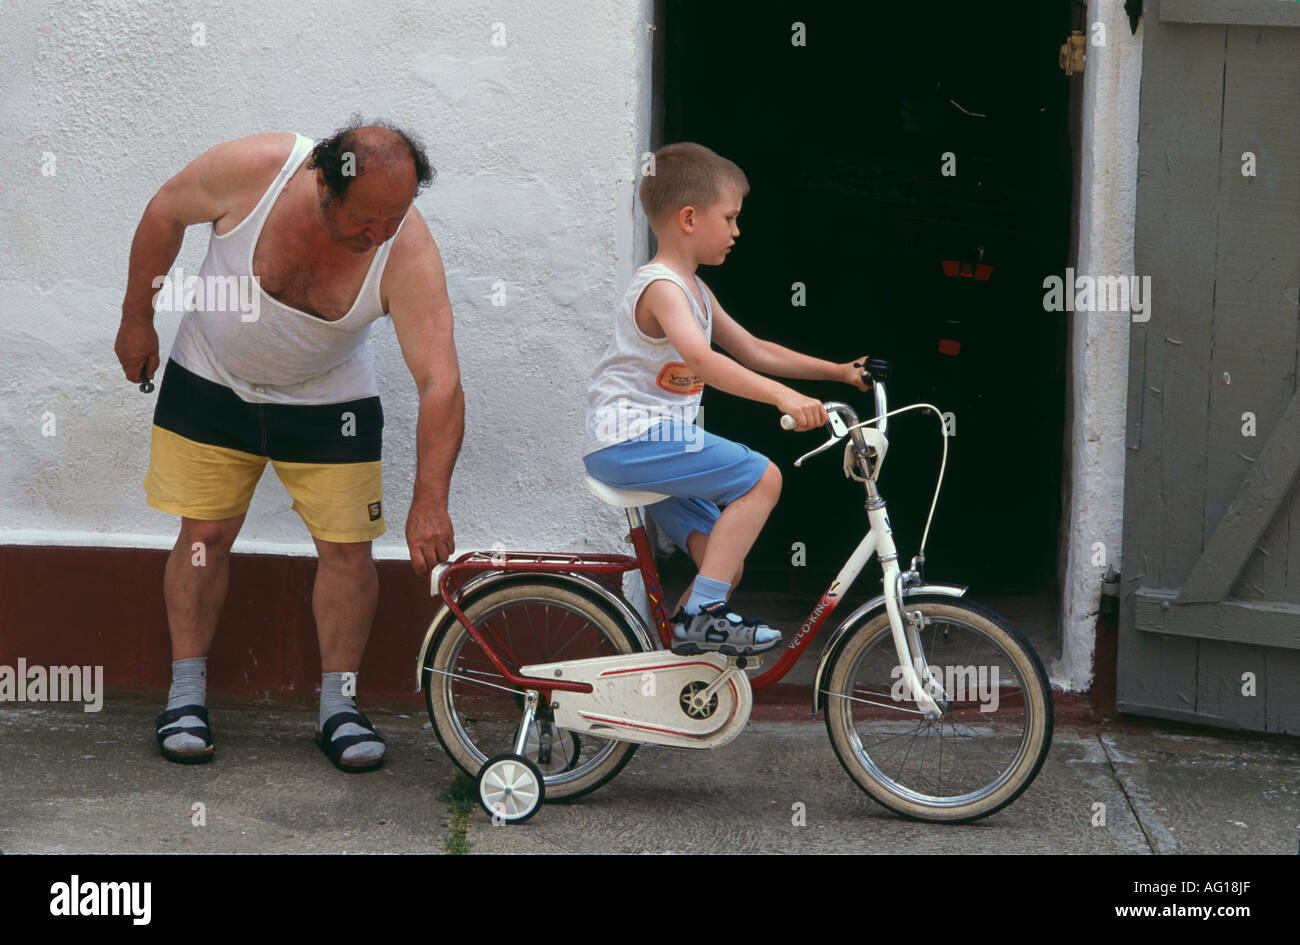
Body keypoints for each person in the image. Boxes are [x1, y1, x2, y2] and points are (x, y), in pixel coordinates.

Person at [113, 120, 464, 772]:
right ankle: (184, 695)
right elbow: (165, 211)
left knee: (347, 550)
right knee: (204, 533)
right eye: (366, 220)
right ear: (323, 183)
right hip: (211, 374)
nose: (378, 235)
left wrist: (431, 498)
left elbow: (440, 381)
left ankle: (340, 705)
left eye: (395, 218)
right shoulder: (257, 169)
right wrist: (137, 317)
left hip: (329, 399)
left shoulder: (405, 249)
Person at [583, 142, 871, 655]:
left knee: (725, 561)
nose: (738, 231)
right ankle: (703, 616)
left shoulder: (695, 289)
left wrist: (839, 372)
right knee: (763, 476)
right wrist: (783, 398)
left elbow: (755, 349)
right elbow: (703, 361)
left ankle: (673, 661)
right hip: (630, 439)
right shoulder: (662, 286)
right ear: (689, 218)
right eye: (731, 218)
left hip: (657, 446)